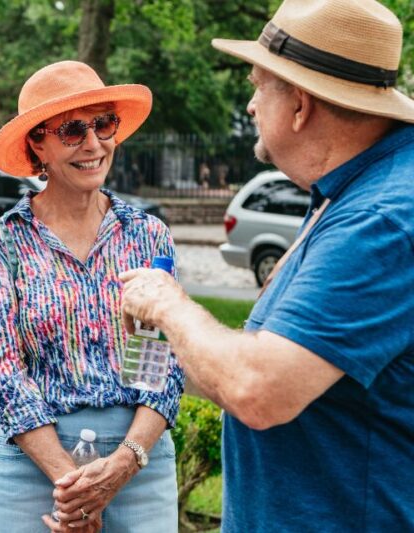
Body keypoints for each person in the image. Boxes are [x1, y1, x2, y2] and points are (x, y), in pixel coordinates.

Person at [120, 0, 414, 530]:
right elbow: (279, 361)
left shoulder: (377, 219)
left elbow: (258, 391)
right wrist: (173, 343)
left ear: (300, 105)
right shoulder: (347, 191)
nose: (252, 105)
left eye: (259, 85)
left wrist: (169, 306)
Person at [0, 60, 183, 533]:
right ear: (37, 144)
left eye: (104, 124)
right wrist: (74, 487)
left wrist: (124, 463)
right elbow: (1, 369)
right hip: (32, 464)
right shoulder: (0, 243)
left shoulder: (148, 237)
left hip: (137, 461)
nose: (93, 144)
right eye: (71, 130)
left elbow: (161, 363)